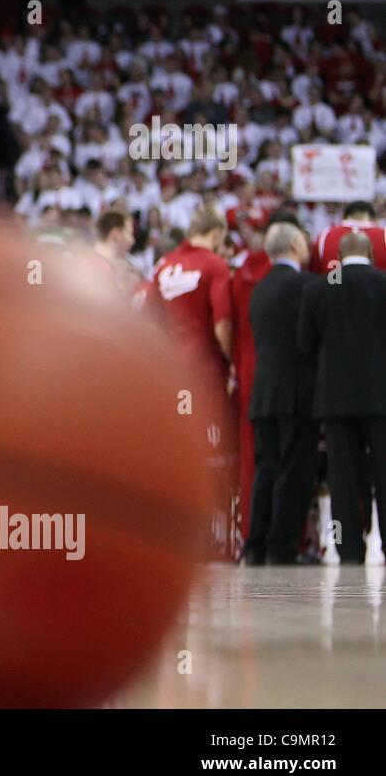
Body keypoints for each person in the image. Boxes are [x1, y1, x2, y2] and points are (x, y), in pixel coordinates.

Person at [152, 206, 239, 560]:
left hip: (171, 369)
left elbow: (152, 321)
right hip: (204, 369)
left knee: (176, 449)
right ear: (217, 232)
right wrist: (234, 363)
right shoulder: (214, 266)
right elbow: (222, 324)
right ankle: (214, 539)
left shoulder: (163, 265)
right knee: (213, 453)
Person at [297, 231, 386, 565]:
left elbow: (304, 345)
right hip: (381, 397)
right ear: (370, 253)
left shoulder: (319, 288)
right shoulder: (382, 282)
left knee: (342, 478)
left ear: (338, 254)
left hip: (334, 398)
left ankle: (349, 551)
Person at [246, 221, 319, 565]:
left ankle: (255, 544)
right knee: (294, 469)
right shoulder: (306, 286)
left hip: (263, 392)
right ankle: (282, 546)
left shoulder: (259, 289)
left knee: (267, 469)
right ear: (293, 244)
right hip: (296, 391)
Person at [310, 200, 386, 274]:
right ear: (374, 218)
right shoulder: (383, 234)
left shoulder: (325, 235)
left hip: (334, 284)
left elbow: (315, 273)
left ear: (344, 217)